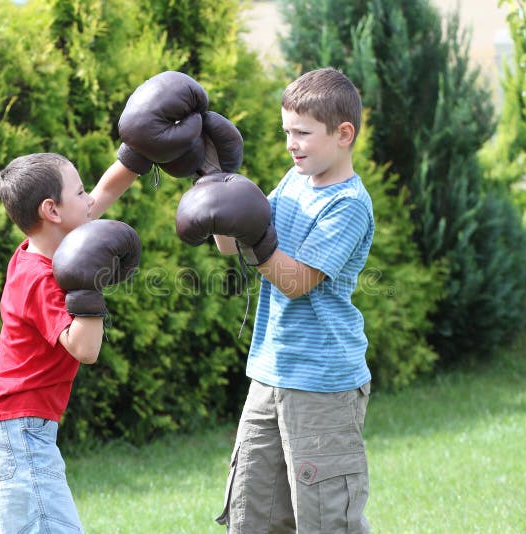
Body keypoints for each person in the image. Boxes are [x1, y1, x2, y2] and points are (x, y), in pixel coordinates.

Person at [175, 67, 374, 532]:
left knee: (325, 520)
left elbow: (296, 280)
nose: (291, 143)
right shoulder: (293, 181)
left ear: (343, 134)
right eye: (287, 132)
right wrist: (214, 184)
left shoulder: (347, 203)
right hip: (270, 372)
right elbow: (235, 244)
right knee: (251, 514)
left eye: (302, 133)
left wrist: (253, 230)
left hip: (322, 382)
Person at [0, 152, 144, 533]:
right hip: (16, 429)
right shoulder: (40, 279)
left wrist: (138, 154)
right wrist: (91, 286)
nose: (89, 201)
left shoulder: (46, 248)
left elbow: (100, 196)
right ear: (51, 210)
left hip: (13, 424)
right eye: (79, 192)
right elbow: (86, 349)